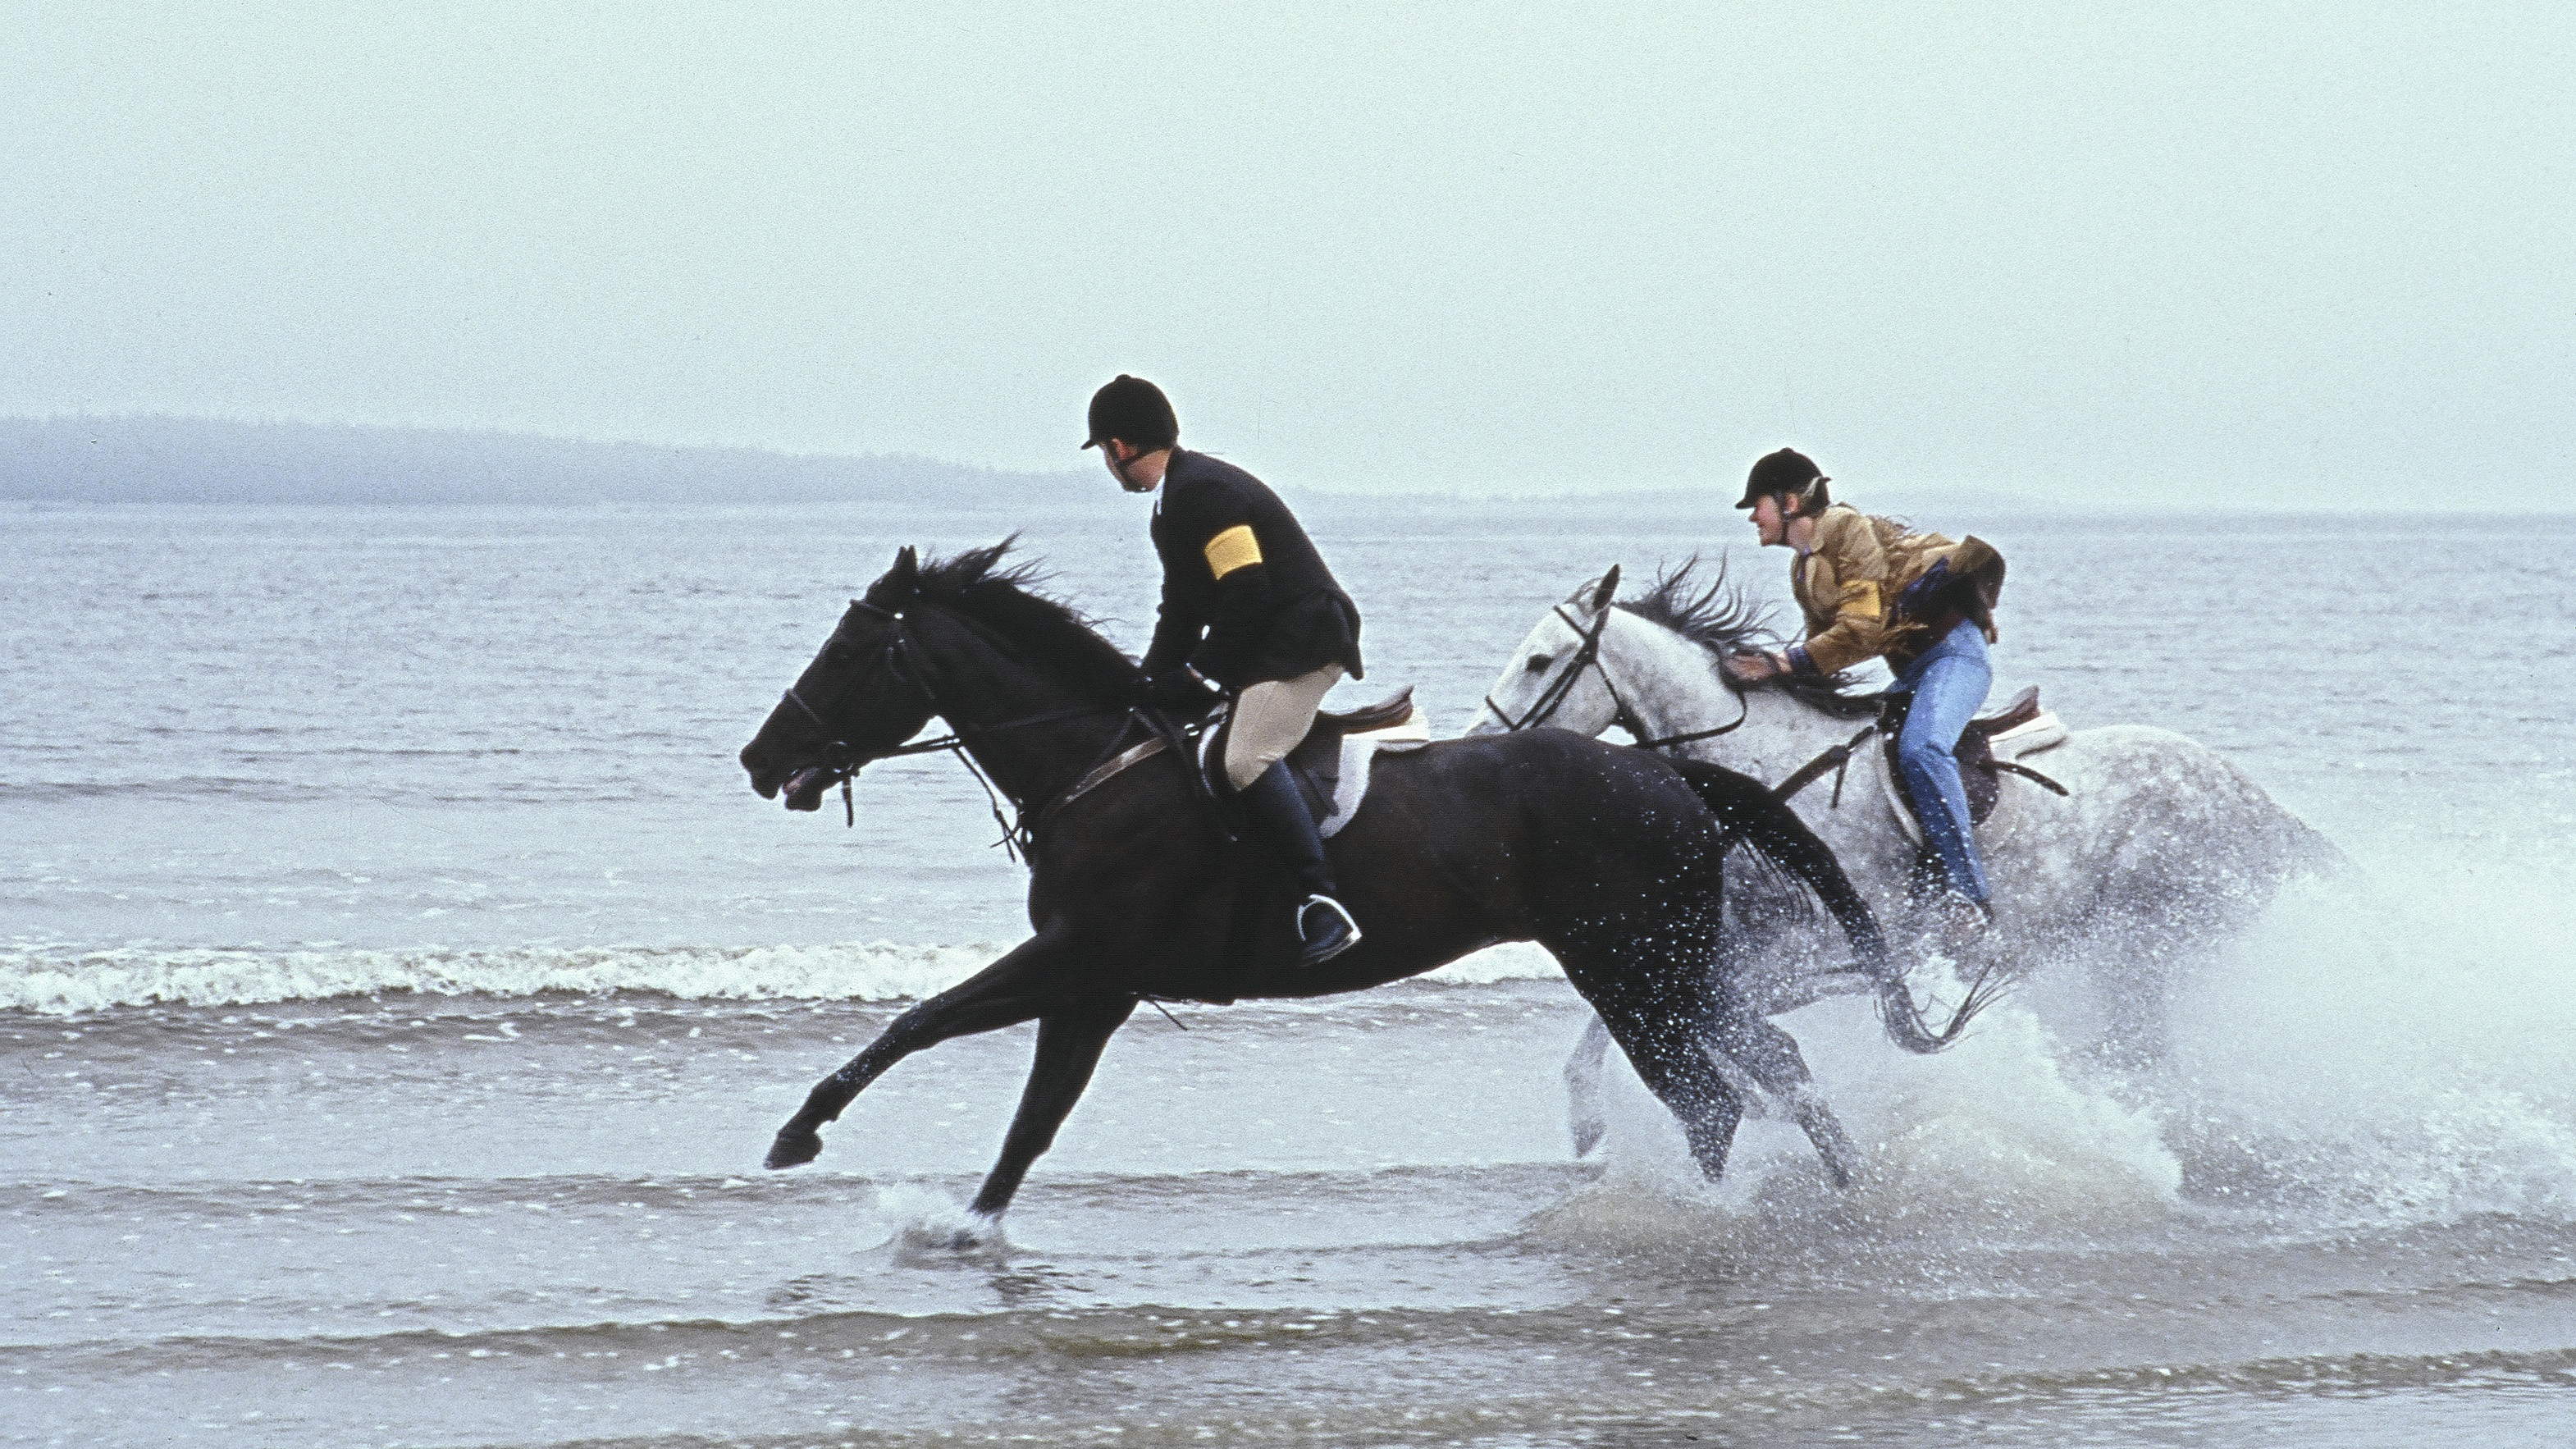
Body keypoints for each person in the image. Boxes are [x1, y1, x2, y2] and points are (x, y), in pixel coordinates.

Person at [1083, 374, 1368, 967]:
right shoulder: (1173, 507)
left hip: (1304, 644)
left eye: (1105, 454)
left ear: (1120, 447)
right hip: (1268, 643)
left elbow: (1245, 590)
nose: (1108, 466)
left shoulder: (1205, 494)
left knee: (1244, 758)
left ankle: (1322, 901)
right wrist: (1141, 686)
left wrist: (1204, 676)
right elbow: (1180, 613)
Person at [1723, 447, 2007, 933]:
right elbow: (1819, 655)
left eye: (1758, 504)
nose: (1752, 516)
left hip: (1954, 657)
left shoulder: (1845, 529)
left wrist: (1783, 662)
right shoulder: (1804, 568)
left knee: (1921, 750)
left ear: (1789, 502)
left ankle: (1968, 897)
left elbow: (1864, 629)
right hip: (1914, 671)